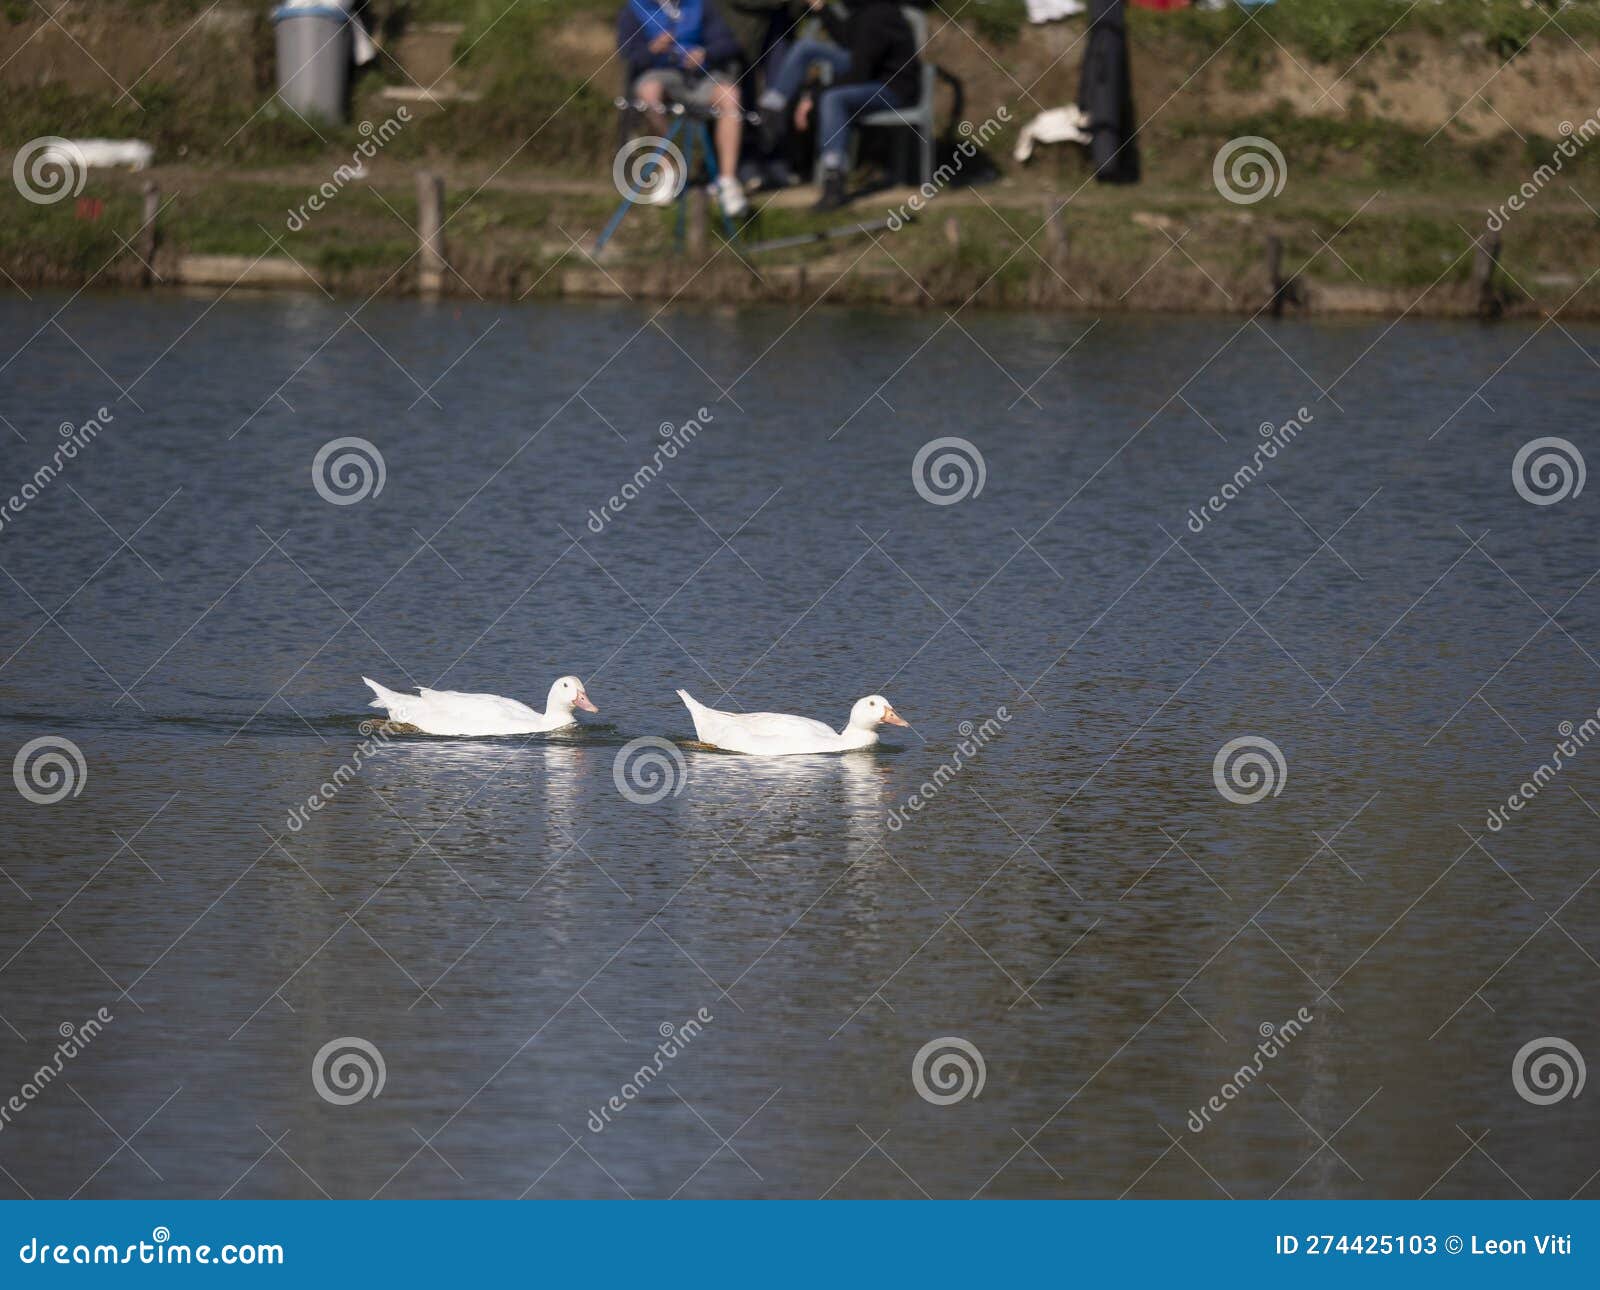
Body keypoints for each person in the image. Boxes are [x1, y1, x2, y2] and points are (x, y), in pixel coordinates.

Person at [756, 0, 919, 211]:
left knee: (833, 98)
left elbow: (860, 73)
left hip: (891, 88)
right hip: (868, 73)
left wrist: (812, 97)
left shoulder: (879, 15)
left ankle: (834, 181)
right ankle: (771, 109)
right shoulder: (861, 10)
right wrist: (823, 11)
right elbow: (848, 40)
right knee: (805, 48)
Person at [617, 1, 750, 216]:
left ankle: (727, 181)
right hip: (660, 75)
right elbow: (628, 54)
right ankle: (668, 168)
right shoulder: (634, 10)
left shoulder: (701, 5)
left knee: (730, 96)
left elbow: (728, 43)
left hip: (701, 76)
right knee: (648, 92)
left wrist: (704, 53)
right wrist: (652, 50)